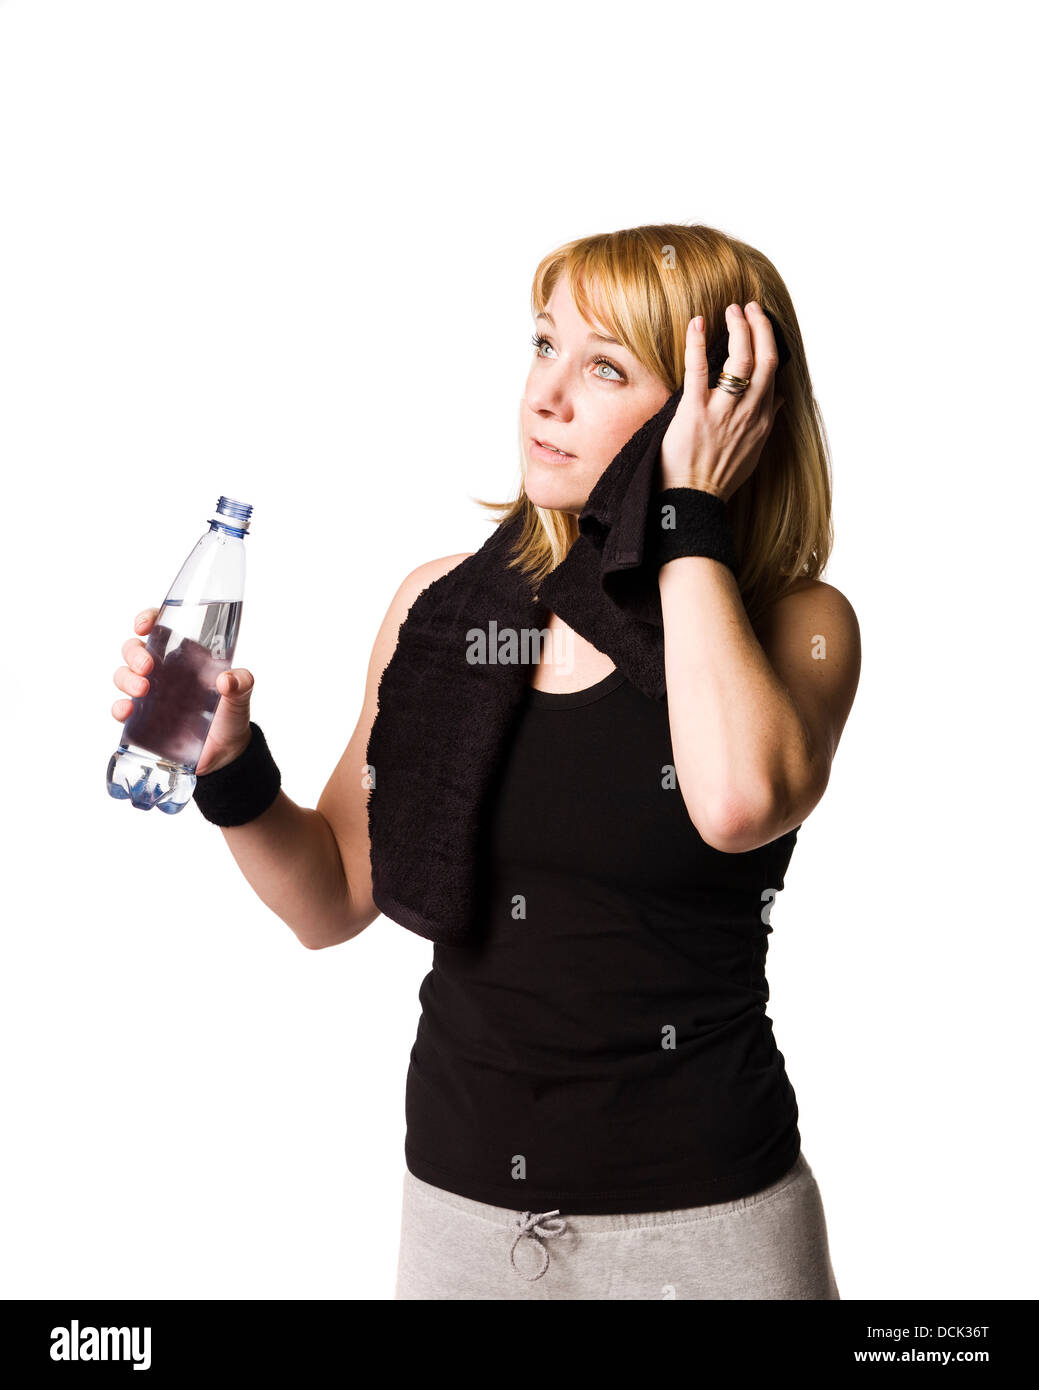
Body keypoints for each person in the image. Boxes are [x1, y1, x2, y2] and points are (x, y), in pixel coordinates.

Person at [111, 223, 860, 1299]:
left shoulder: (794, 623)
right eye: (542, 345)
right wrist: (228, 766)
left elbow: (739, 801)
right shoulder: (443, 610)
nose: (543, 397)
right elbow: (331, 898)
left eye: (604, 367)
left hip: (709, 1229)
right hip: (465, 1220)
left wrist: (688, 516)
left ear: (722, 416)